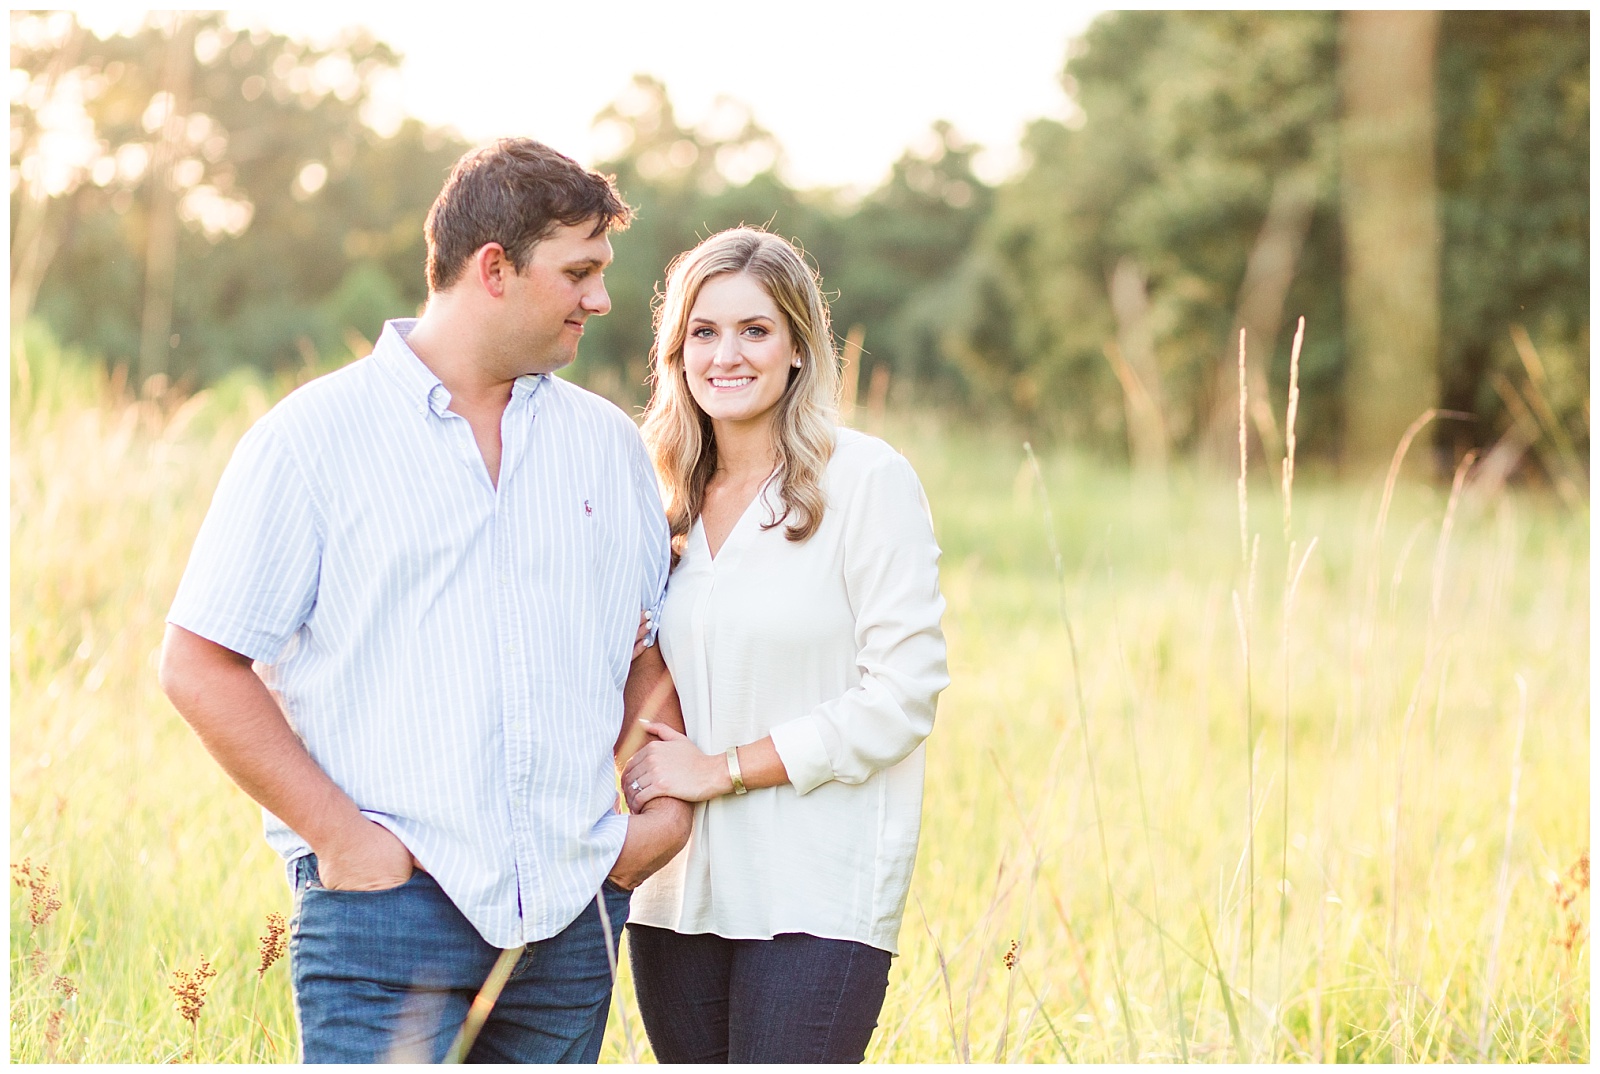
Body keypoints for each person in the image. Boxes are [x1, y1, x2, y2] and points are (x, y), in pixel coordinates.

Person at [158, 138, 691, 1064]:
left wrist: (658, 819)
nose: (601, 300)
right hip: (385, 917)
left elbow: (644, 651)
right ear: (494, 268)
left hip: (572, 922)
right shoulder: (310, 441)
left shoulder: (609, 448)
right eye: (579, 272)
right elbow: (199, 662)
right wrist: (344, 842)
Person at [619, 227, 949, 1063]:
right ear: (675, 351)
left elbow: (902, 697)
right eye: (704, 332)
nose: (726, 355)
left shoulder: (865, 481)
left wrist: (721, 767)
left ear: (798, 346)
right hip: (676, 894)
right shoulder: (659, 503)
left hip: (816, 890)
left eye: (755, 330)